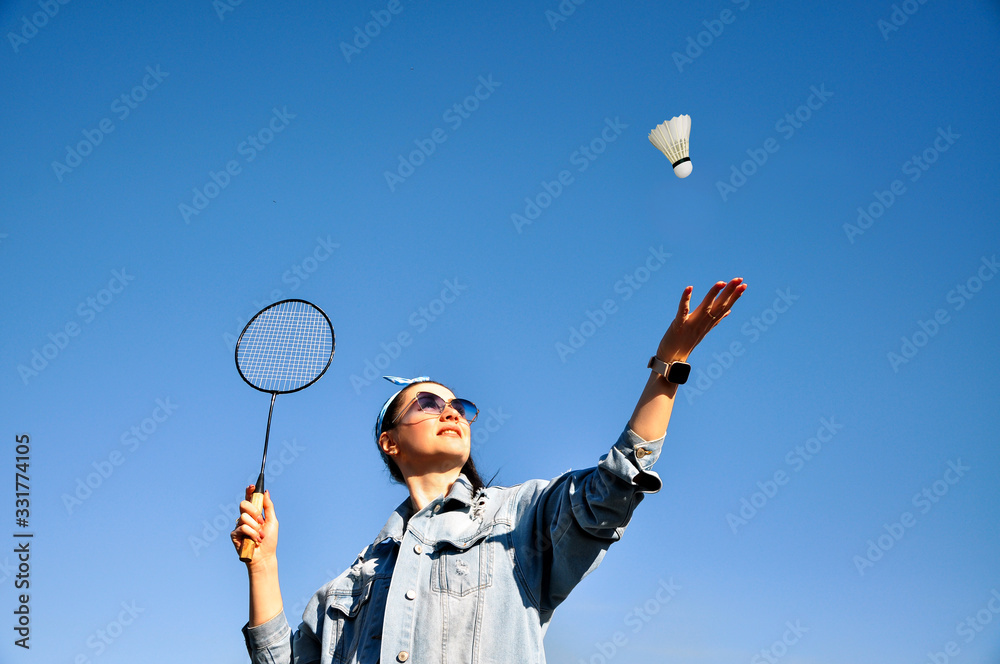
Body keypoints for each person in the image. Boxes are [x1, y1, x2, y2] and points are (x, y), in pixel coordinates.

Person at [233, 278, 747, 664]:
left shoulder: (516, 519)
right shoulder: (354, 581)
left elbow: (609, 490)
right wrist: (264, 564)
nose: (451, 410)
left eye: (459, 404)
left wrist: (670, 363)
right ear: (389, 442)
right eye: (429, 403)